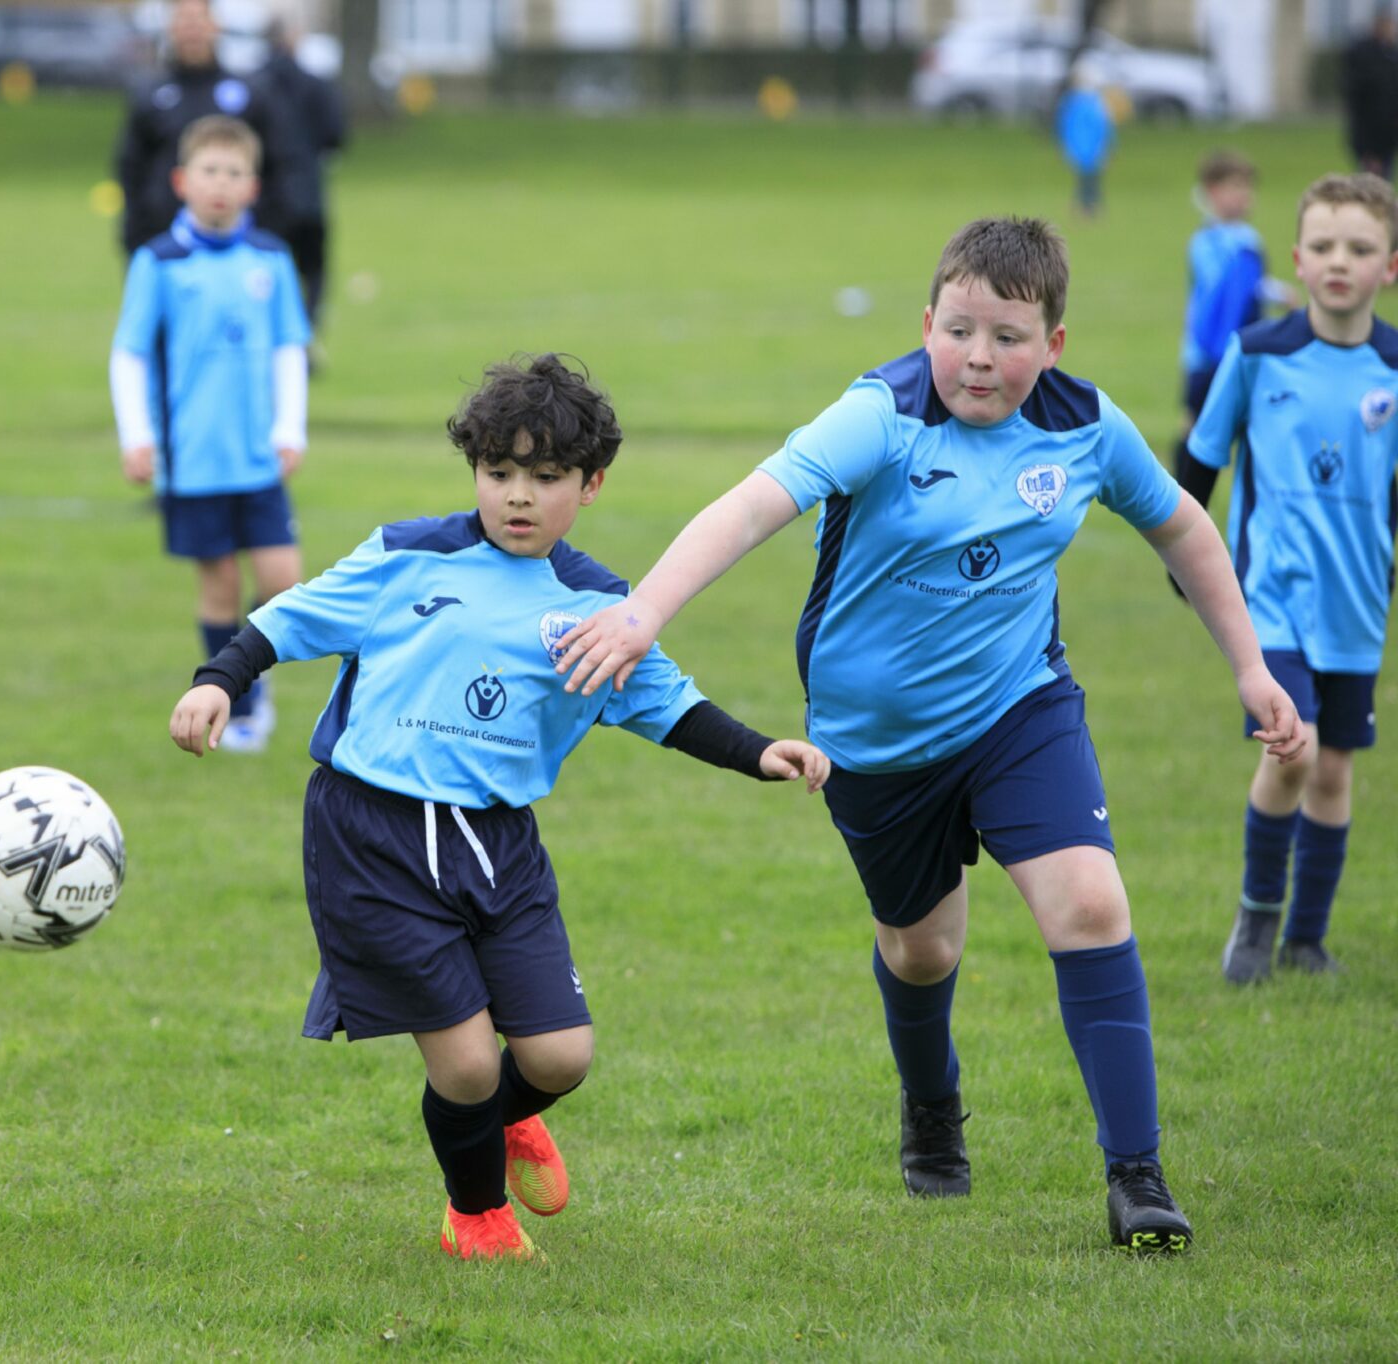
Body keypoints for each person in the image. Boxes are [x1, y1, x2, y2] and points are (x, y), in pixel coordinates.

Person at [553, 218, 1306, 1254]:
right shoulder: (881, 416)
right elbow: (746, 509)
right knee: (921, 947)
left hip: (1017, 710)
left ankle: (1135, 1171)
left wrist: (1248, 664)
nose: (979, 358)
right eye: (958, 331)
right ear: (925, 324)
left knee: (1088, 902)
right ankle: (930, 1107)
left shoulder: (1083, 428)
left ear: (1052, 343)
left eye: (1006, 336)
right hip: (874, 740)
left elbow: (1178, 522)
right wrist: (640, 613)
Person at [168, 353, 830, 1261]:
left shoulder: (598, 606)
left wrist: (760, 752)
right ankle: (474, 1216)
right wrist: (219, 681)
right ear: (474, 470)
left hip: (499, 845)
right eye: (499, 473)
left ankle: (500, 1122)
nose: (519, 496)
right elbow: (289, 619)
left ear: (591, 485)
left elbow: (667, 705)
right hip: (373, 833)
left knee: (558, 1059)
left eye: (547, 478)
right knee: (471, 1063)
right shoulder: (409, 555)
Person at [1184, 174, 1398, 983]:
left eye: (1360, 248)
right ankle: (1256, 921)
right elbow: (1199, 465)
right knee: (1292, 753)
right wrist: (1190, 569)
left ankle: (1307, 939)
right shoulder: (1259, 352)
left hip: (1358, 603)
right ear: (1298, 261)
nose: (1340, 261)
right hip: (1268, 598)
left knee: (1335, 767)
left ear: (1390, 266)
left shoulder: (1394, 366)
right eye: (1323, 247)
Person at [111, 115, 308, 753]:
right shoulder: (160, 261)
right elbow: (130, 355)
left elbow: (288, 349)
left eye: (234, 173)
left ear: (252, 186)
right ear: (181, 182)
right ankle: (240, 705)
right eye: (209, 171)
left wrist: (290, 427)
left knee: (283, 579)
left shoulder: (270, 259)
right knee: (220, 585)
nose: (221, 184)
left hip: (258, 459)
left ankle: (250, 671)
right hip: (193, 460)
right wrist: (136, 435)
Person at [113, 0, 283, 258]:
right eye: (184, 20)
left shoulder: (247, 92)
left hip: (233, 240)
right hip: (163, 235)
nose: (192, 29)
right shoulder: (151, 94)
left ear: (215, 26)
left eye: (199, 20)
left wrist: (268, 220)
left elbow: (275, 161)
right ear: (171, 28)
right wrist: (136, 229)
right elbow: (130, 166)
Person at [1174, 150, 1289, 492]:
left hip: (1246, 350)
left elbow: (1249, 289)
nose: (1243, 196)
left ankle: (1256, 493)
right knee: (1196, 425)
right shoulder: (1208, 242)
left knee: (1253, 426)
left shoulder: (1246, 239)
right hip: (1208, 354)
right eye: (1234, 187)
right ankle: (1182, 498)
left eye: (1247, 187)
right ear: (1211, 191)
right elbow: (1221, 296)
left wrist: (1276, 293)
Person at [255, 13, 344, 337]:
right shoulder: (315, 84)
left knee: (263, 268)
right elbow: (335, 135)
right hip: (307, 192)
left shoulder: (250, 85)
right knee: (313, 269)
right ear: (292, 39)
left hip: (262, 197)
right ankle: (304, 334)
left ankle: (271, 333)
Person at [1342, 8, 1398, 179]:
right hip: (1370, 135)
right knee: (1371, 181)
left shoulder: (1390, 55)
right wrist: (1365, 148)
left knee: (1383, 178)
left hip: (1388, 135)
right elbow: (1359, 103)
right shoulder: (1365, 58)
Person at [1054, 77, 1113, 219]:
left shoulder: (1073, 104)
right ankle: (1086, 208)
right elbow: (1103, 127)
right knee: (1088, 179)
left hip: (1083, 148)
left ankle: (1085, 207)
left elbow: (1065, 126)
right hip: (1088, 148)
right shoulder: (1094, 104)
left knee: (1087, 179)